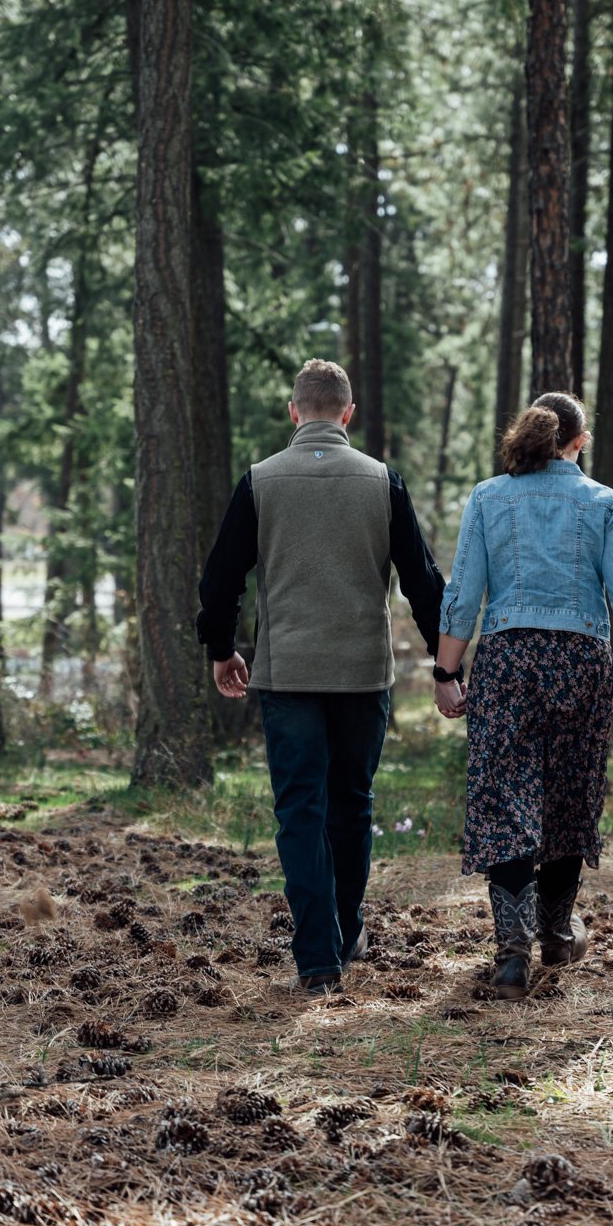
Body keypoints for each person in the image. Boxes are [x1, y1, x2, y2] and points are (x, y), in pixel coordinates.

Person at [196, 359, 446, 997]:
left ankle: (317, 959)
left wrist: (222, 649)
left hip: (288, 677)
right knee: (352, 807)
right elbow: (422, 582)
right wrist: (448, 665)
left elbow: (221, 577)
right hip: (363, 676)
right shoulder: (382, 482)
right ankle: (345, 928)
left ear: (294, 411)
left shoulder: (261, 481)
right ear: (347, 414)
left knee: (300, 811)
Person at [433, 392, 613, 1000]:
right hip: (580, 664)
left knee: (505, 800)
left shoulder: (489, 498)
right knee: (569, 794)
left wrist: (446, 673)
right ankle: (558, 934)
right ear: (579, 441)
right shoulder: (605, 503)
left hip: (508, 661)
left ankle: (511, 955)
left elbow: (463, 597)